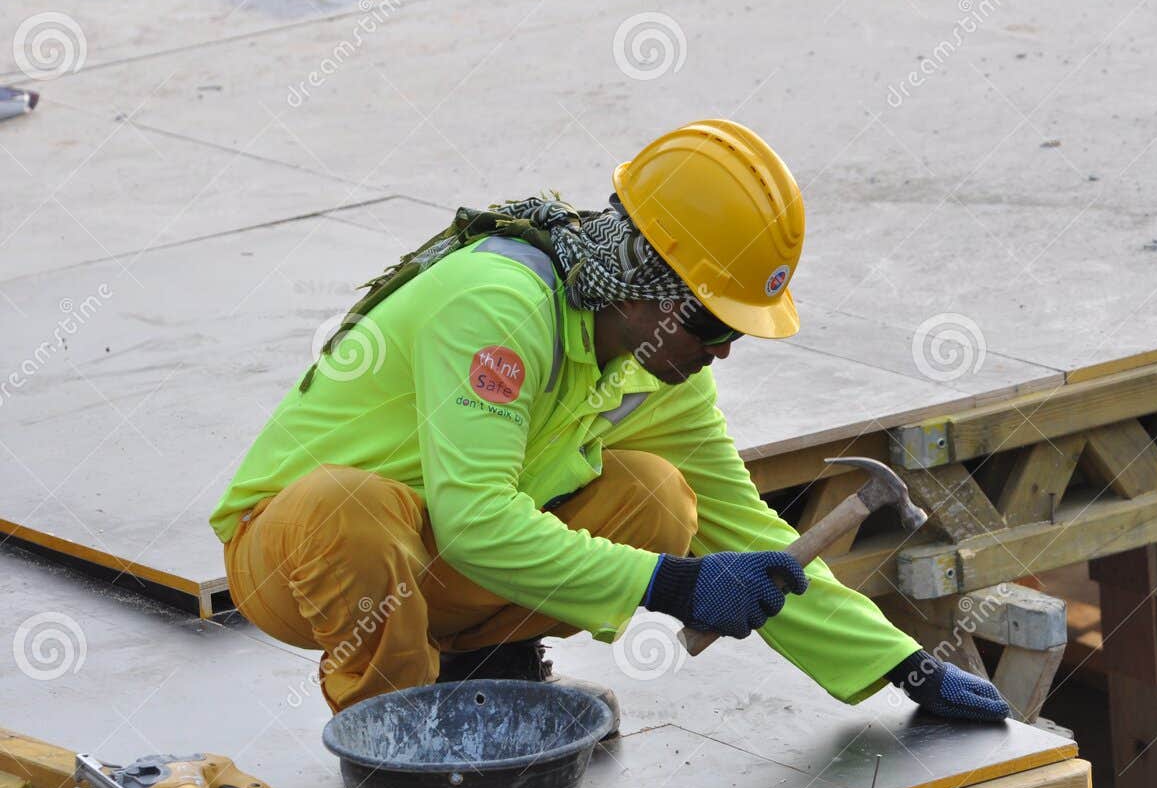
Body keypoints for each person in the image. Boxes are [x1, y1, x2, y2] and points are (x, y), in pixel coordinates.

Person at [209, 119, 1008, 723]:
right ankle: (398, 741)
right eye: (713, 325)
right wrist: (672, 586)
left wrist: (903, 668)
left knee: (659, 499)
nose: (722, 352)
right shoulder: (499, 305)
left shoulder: (659, 361)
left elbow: (740, 526)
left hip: (433, 558)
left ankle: (488, 661)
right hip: (297, 559)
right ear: (642, 279)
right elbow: (476, 520)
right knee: (353, 510)